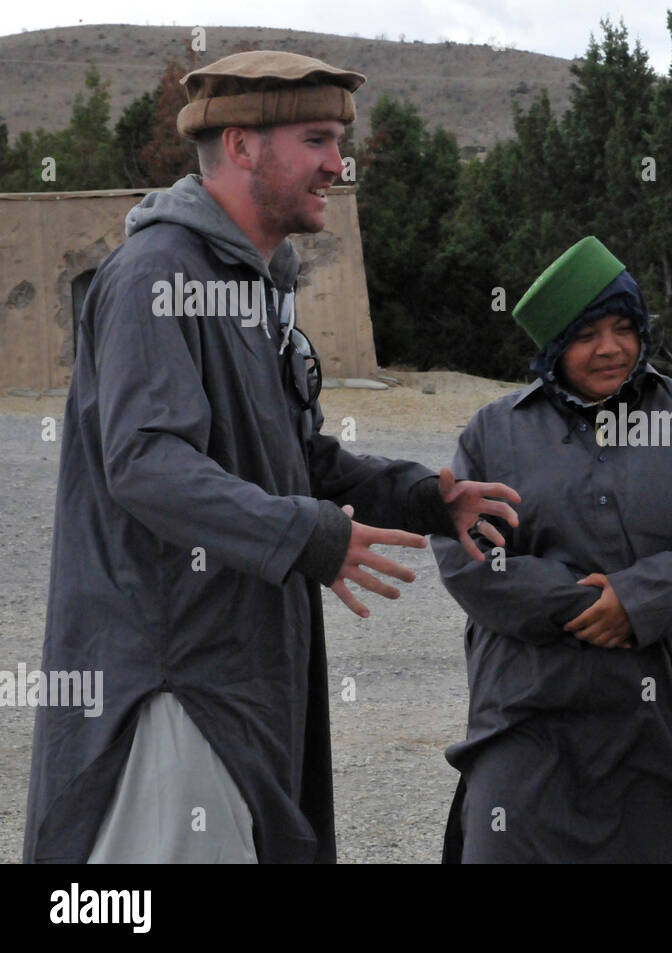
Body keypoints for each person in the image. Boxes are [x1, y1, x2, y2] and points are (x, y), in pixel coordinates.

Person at [23, 51, 520, 864]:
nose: (337, 163)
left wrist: (429, 499)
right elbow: (147, 462)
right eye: (317, 139)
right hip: (171, 683)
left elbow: (296, 461)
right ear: (242, 145)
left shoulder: (254, 288)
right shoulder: (156, 275)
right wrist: (308, 537)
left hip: (237, 676)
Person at [433, 236, 672, 863]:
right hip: (531, 713)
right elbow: (468, 556)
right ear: (554, 345)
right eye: (588, 333)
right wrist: (588, 605)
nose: (612, 348)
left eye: (625, 327)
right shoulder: (494, 432)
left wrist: (640, 600)